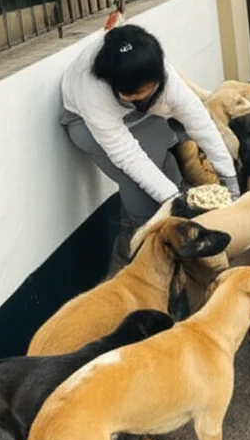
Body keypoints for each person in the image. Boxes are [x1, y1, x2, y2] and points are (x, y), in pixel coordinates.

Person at [60, 20, 240, 270]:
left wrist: (229, 177)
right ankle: (140, 255)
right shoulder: (93, 92)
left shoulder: (164, 77)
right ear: (114, 86)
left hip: (137, 116)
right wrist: (174, 200)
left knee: (166, 169)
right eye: (134, 95)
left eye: (148, 92)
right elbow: (128, 156)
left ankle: (174, 251)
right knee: (138, 187)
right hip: (84, 123)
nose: (142, 98)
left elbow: (200, 123)